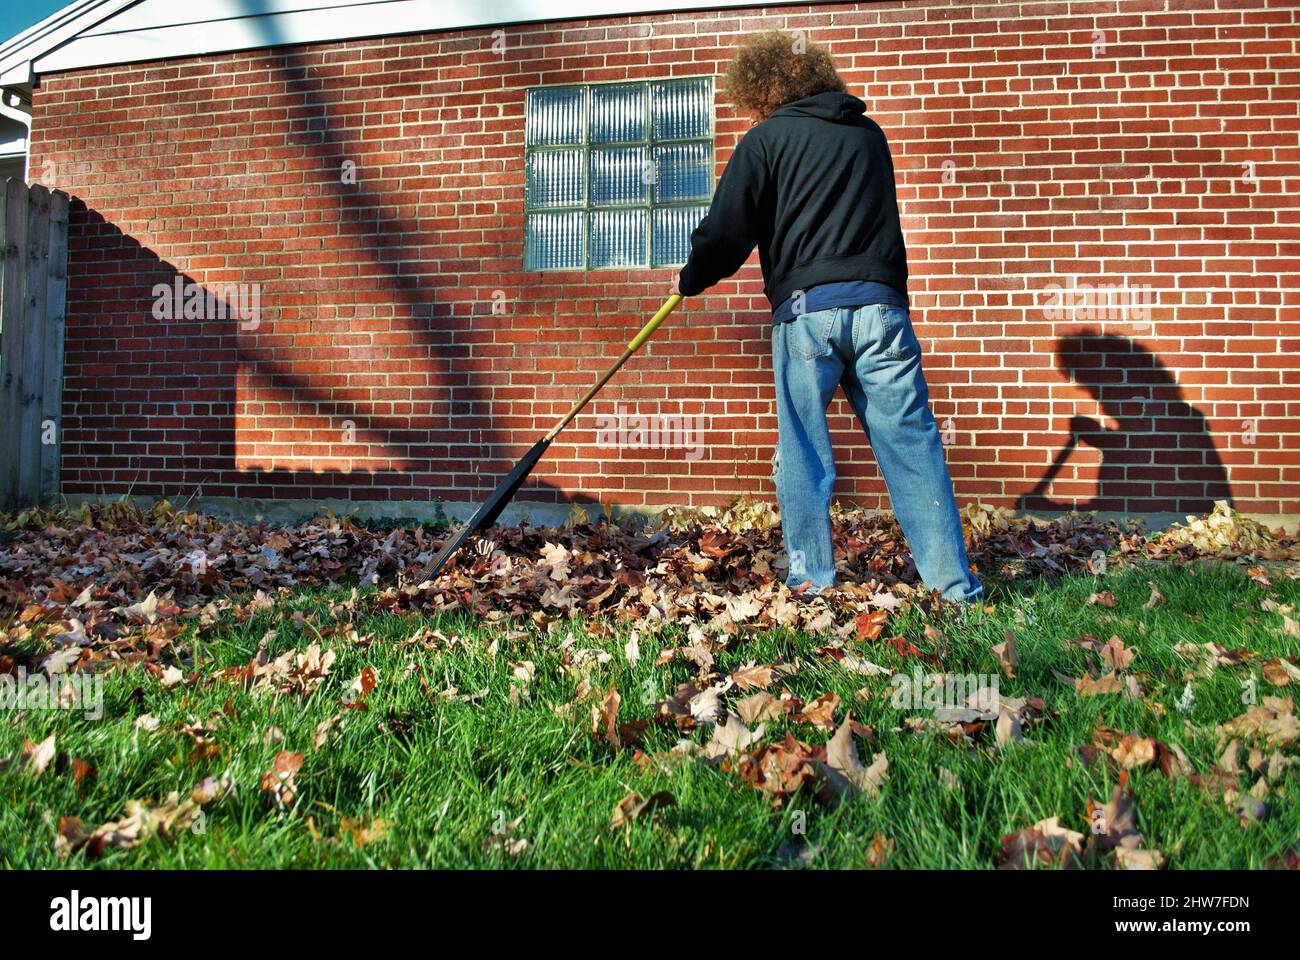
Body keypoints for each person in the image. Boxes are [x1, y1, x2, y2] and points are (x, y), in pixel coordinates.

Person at [675, 32, 983, 602]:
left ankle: (811, 583)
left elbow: (725, 233)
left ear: (762, 90)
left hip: (806, 317)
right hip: (882, 311)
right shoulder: (870, 136)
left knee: (803, 450)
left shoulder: (766, 139)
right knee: (913, 447)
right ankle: (954, 588)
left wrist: (693, 276)